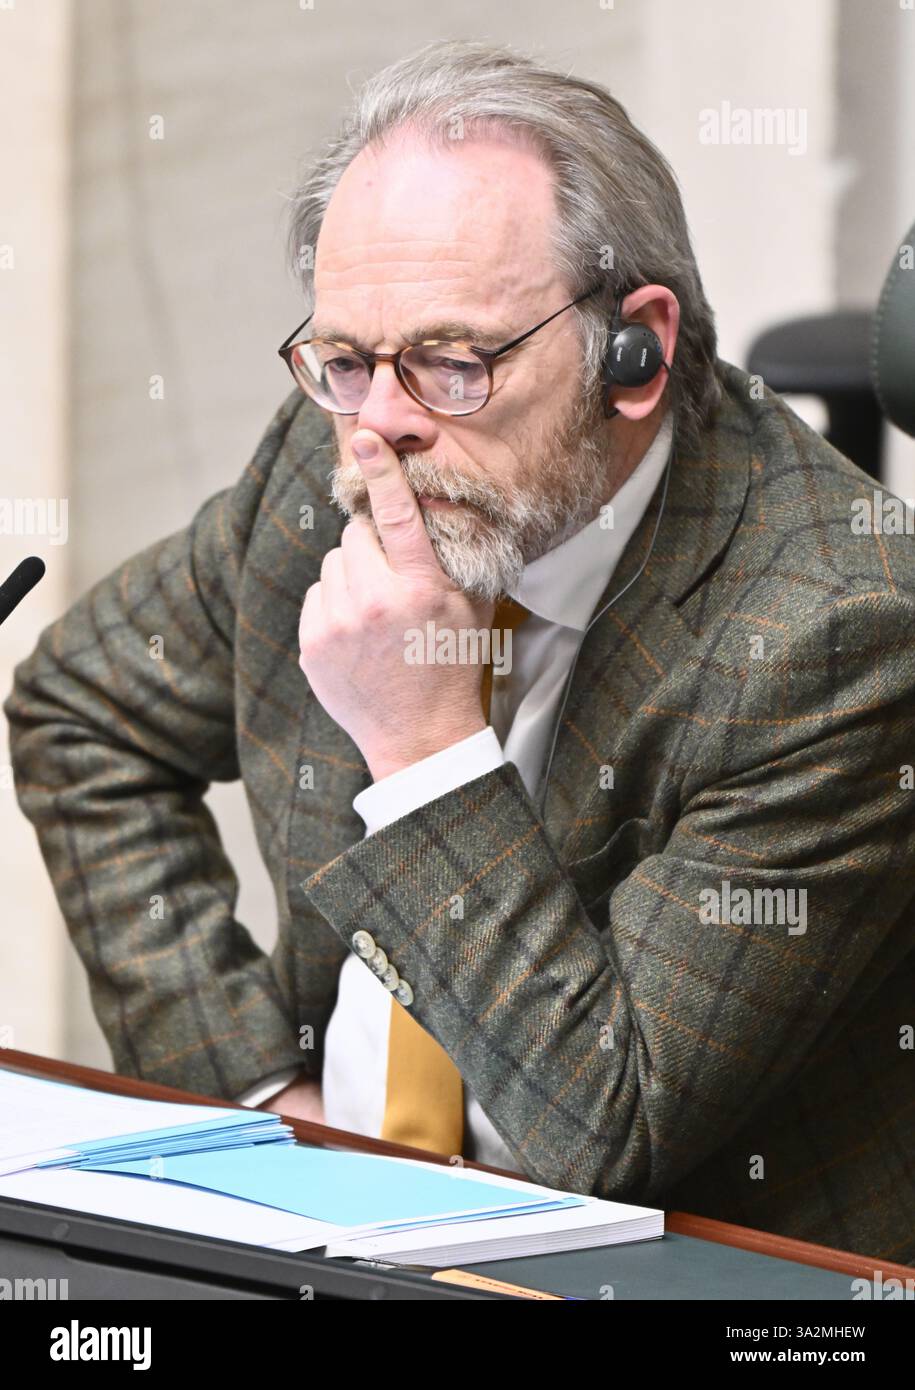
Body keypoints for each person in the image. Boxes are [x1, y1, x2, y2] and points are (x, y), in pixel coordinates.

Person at [6, 40, 915, 1264]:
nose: (380, 424)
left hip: (680, 1272)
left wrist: (426, 744)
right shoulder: (336, 457)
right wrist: (254, 1104)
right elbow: (81, 711)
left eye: (454, 363)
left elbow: (606, 1133)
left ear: (633, 352)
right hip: (319, 1234)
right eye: (343, 360)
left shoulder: (837, 636)